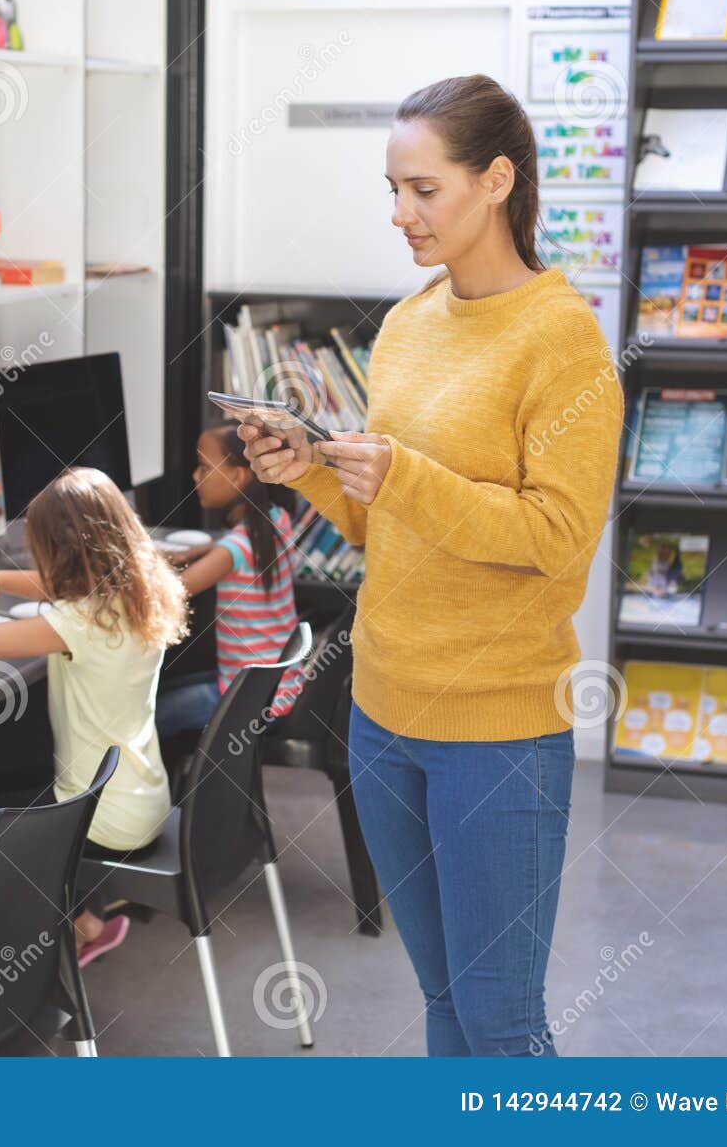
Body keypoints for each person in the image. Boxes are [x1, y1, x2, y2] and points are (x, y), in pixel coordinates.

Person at [243, 74, 623, 1056]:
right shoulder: (409, 322)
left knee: (500, 1024)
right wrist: (311, 470)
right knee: (444, 1005)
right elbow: (387, 523)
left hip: (495, 733)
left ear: (497, 180)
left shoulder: (563, 340)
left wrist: (403, 478)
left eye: (424, 189)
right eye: (392, 189)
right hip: (382, 716)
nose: (401, 214)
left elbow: (555, 541)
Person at [0, 466, 187, 963]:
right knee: (5, 786)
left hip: (105, 817)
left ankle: (52, 943)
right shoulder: (141, 588)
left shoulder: (76, 622)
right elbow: (61, 587)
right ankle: (85, 920)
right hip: (143, 797)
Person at [156, 422, 302, 740]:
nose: (196, 477)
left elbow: (167, 594)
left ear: (238, 475)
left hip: (247, 702)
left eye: (205, 468)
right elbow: (235, 548)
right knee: (167, 691)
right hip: (278, 688)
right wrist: (202, 550)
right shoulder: (277, 519)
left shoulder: (234, 549)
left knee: (149, 717)